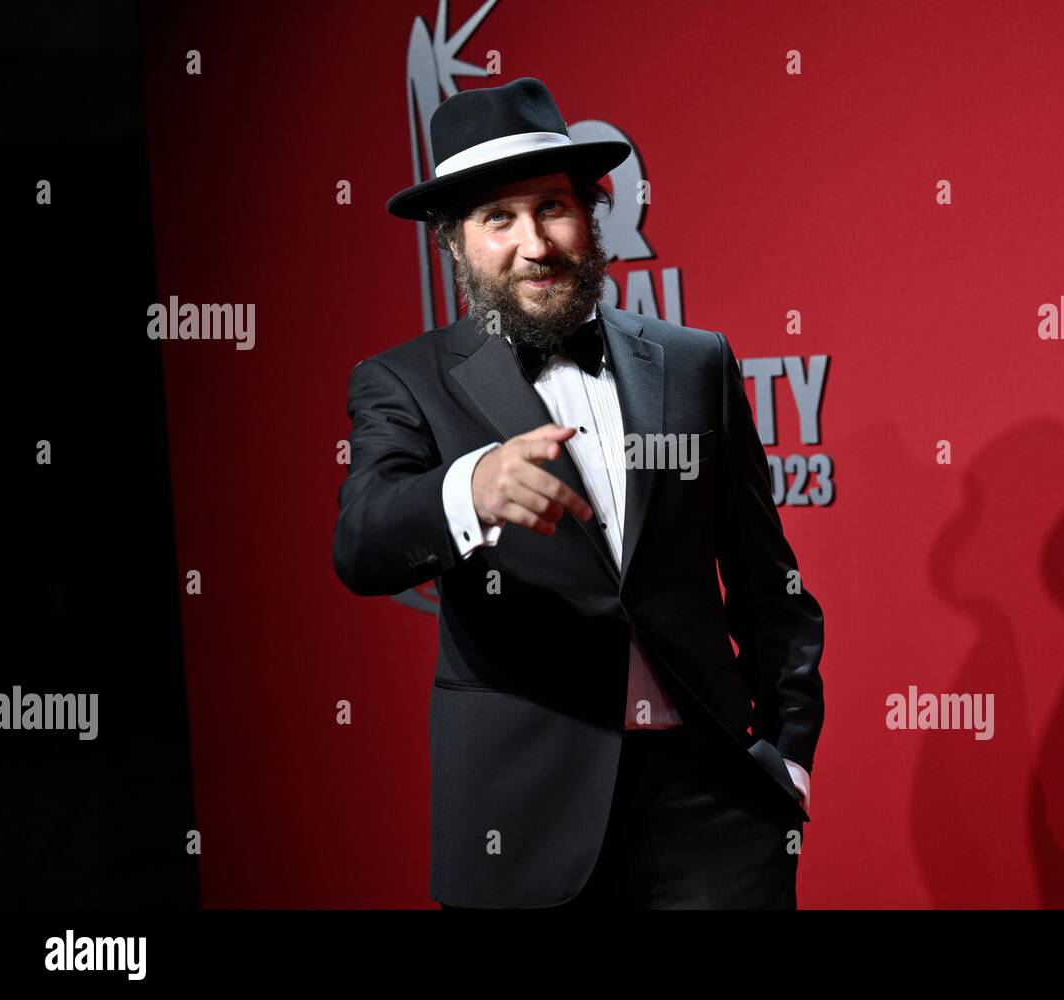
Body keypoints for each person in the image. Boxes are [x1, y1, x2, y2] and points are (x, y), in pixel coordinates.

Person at [334, 77, 824, 908]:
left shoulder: (695, 361)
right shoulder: (404, 382)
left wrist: (788, 757)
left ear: (591, 220)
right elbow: (364, 543)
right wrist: (471, 488)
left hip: (715, 815)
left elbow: (768, 582)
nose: (535, 243)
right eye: (498, 219)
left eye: (553, 208)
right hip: (522, 826)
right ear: (454, 244)